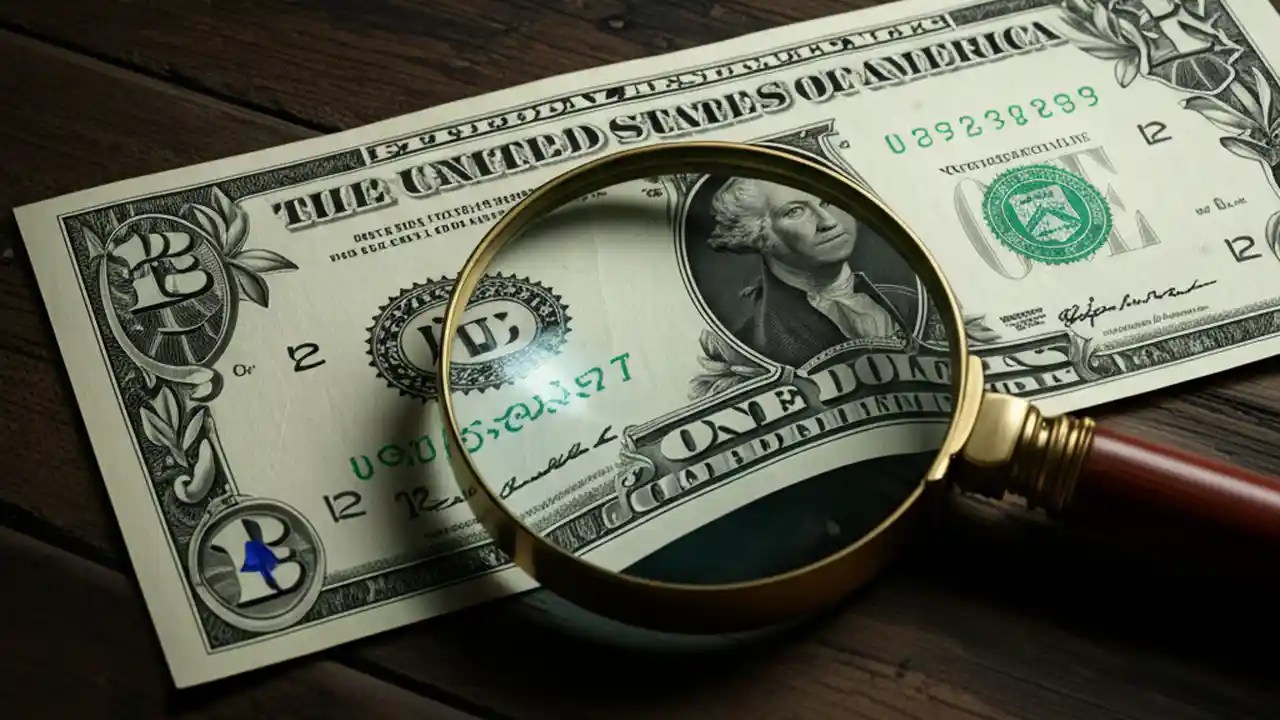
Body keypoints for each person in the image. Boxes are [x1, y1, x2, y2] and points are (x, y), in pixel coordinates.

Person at [706, 177, 915, 368]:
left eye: (828, 200)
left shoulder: (908, 301)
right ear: (756, 234)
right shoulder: (752, 348)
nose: (828, 222)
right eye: (795, 211)